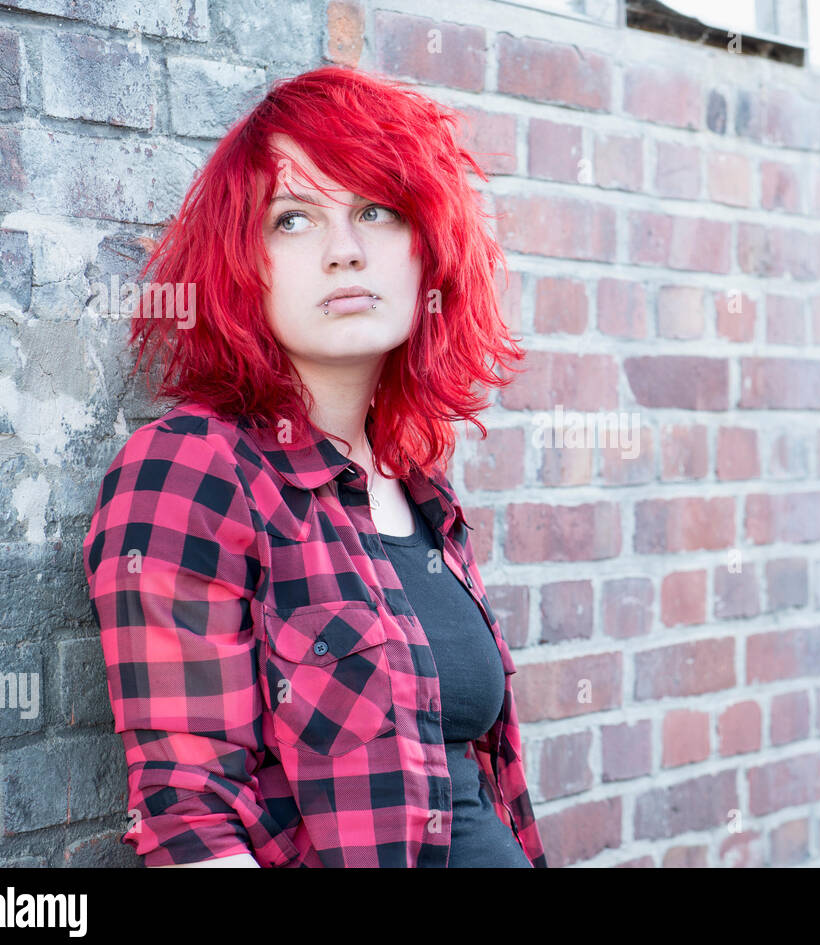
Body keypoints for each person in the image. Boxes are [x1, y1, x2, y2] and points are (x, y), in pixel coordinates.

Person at [82, 65, 547, 867]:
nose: (344, 252)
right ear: (242, 266)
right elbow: (189, 820)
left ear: (426, 249)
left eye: (375, 210)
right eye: (293, 220)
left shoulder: (420, 489)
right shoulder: (194, 469)